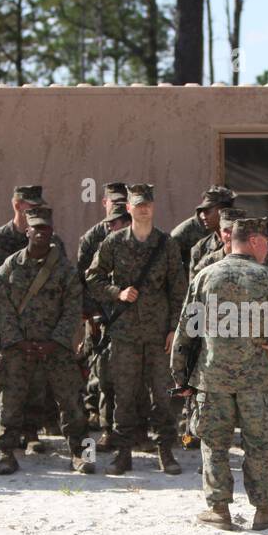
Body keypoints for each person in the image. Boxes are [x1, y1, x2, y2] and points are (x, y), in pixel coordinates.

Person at [173, 218, 268, 529]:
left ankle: (218, 509)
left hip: (212, 378)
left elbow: (187, 331)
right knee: (260, 443)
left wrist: (180, 376)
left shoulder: (205, 277)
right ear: (255, 241)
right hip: (256, 380)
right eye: (266, 241)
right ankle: (263, 510)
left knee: (214, 444)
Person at [85, 183, 187, 475]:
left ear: (153, 207)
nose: (143, 208)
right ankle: (123, 451)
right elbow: (92, 278)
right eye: (137, 204)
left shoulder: (166, 245)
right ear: (127, 208)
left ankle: (165, 450)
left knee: (163, 394)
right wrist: (117, 292)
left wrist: (173, 329)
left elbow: (179, 290)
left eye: (147, 204)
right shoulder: (114, 243)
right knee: (125, 394)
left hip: (158, 334)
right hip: (126, 333)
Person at [0, 207, 95, 476]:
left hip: (56, 348)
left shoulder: (64, 270)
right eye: (35, 228)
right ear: (27, 231)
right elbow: (3, 310)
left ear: (51, 232)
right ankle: (5, 452)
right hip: (19, 348)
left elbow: (73, 309)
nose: (40, 233)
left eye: (45, 229)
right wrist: (17, 341)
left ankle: (82, 453)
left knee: (72, 402)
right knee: (10, 402)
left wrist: (57, 340)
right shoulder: (10, 267)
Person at [0, 185, 67, 454]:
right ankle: (9, 433)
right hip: (8, 325)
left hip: (44, 326)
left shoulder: (54, 243)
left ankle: (32, 432)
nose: (36, 212)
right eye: (30, 207)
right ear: (17, 206)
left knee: (38, 382)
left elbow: (65, 283)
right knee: (10, 380)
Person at [78, 187, 133, 450]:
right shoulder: (93, 239)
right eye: (114, 203)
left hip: (133, 321)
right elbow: (84, 280)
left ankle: (136, 430)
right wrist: (92, 315)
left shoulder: (142, 240)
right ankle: (104, 426)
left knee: (134, 377)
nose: (114, 224)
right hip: (102, 317)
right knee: (103, 374)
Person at [171, 185, 230, 267]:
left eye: (208, 211)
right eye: (203, 211)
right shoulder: (187, 233)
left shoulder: (240, 235)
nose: (203, 216)